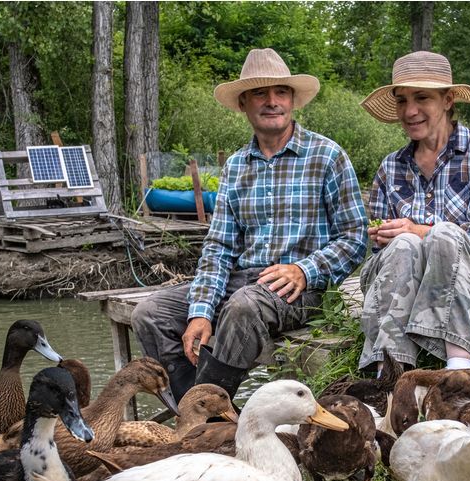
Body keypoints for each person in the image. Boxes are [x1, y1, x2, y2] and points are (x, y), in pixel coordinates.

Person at [131, 48, 368, 403]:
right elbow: (219, 248)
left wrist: (305, 270)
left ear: (292, 101)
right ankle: (199, 411)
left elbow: (355, 237)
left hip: (301, 289)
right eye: (260, 93)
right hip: (243, 280)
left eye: (281, 92)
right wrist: (200, 312)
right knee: (150, 313)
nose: (272, 101)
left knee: (243, 307)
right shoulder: (237, 166)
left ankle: (203, 419)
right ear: (243, 103)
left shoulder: (327, 156)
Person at [358, 51, 470, 372]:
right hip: (409, 282)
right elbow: (382, 250)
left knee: (443, 235)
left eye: (422, 98)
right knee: (402, 245)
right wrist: (387, 233)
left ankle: (458, 367)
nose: (410, 111)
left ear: (447, 100)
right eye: (402, 100)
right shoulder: (391, 166)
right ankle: (390, 371)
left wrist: (420, 229)